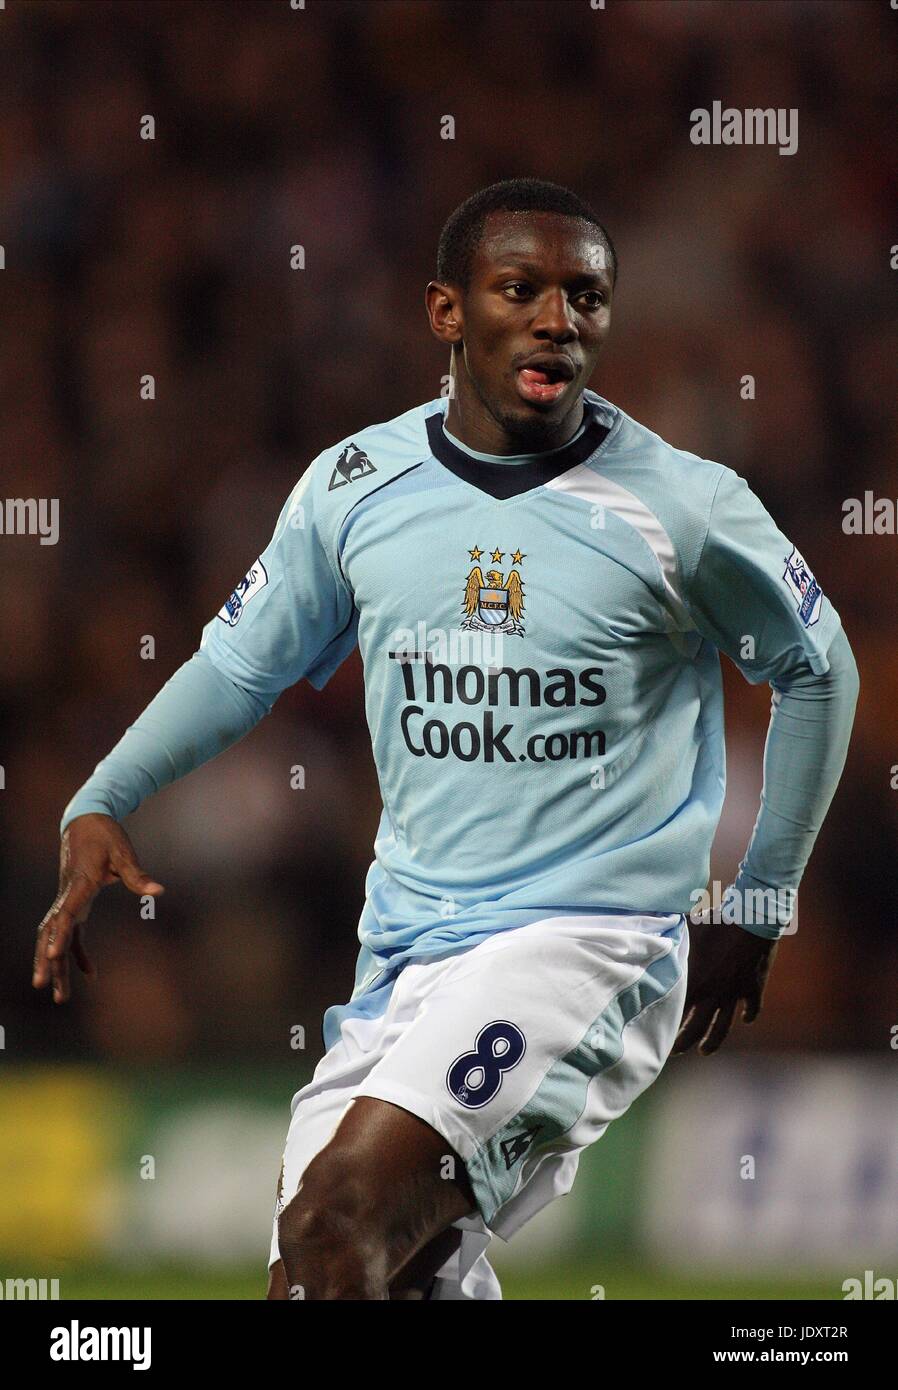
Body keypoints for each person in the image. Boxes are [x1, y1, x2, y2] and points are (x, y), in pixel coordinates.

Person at [35, 178, 859, 1300]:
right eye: (519, 289)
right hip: (408, 957)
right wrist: (103, 795)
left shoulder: (682, 506)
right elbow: (240, 663)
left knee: (341, 1219)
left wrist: (761, 900)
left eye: (585, 296)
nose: (556, 320)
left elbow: (817, 667)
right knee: (342, 1278)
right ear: (446, 311)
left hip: (587, 940)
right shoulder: (355, 487)